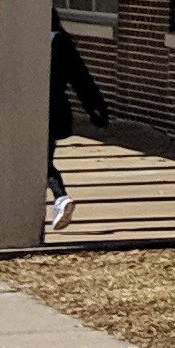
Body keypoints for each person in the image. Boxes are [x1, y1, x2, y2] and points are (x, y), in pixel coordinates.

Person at [47, 18, 111, 229]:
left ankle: (61, 198)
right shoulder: (61, 42)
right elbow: (81, 79)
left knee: (39, 161)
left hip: (33, 112)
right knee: (43, 159)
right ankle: (60, 199)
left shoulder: (21, 42)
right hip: (56, 111)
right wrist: (96, 109)